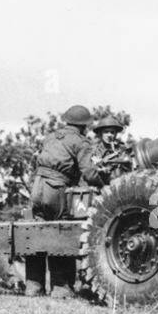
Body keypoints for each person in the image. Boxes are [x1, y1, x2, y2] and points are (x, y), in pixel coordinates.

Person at [27, 105, 103, 298]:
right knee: (61, 232)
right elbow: (89, 172)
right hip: (56, 187)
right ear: (84, 125)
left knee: (37, 232)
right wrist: (106, 183)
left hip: (37, 186)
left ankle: (34, 286)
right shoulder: (81, 142)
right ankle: (61, 288)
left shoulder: (51, 137)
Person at [90, 116, 131, 182]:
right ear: (100, 134)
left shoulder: (122, 149)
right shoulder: (93, 150)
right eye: (106, 132)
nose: (109, 135)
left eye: (112, 132)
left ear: (115, 134)